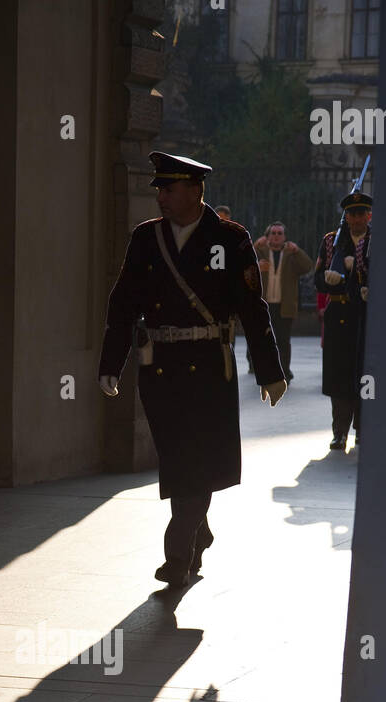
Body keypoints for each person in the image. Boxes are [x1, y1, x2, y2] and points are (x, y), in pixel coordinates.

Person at [98, 151, 287, 589]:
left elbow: (252, 307)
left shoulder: (230, 239)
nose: (161, 197)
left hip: (209, 367)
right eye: (160, 189)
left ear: (195, 190)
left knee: (197, 460)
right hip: (160, 368)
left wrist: (269, 370)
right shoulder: (146, 237)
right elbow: (123, 302)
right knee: (178, 459)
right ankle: (198, 529)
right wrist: (111, 363)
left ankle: (178, 554)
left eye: (169, 189)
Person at [314, 191, 372, 450]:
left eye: (361, 213)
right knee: (338, 375)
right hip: (339, 314)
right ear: (346, 216)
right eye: (351, 214)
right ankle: (340, 432)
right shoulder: (332, 241)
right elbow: (317, 279)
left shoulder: (376, 240)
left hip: (365, 314)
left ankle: (363, 428)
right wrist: (331, 281)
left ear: (369, 215)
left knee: (366, 374)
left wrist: (366, 283)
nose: (356, 218)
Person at [253, 222, 313, 382]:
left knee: (283, 341)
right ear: (267, 236)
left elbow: (307, 266)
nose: (276, 236)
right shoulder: (260, 251)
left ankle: (284, 371)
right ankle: (265, 371)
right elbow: (242, 265)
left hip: (284, 305)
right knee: (264, 341)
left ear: (285, 237)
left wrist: (298, 251)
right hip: (264, 305)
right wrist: (256, 259)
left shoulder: (291, 254)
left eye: (279, 233)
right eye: (273, 233)